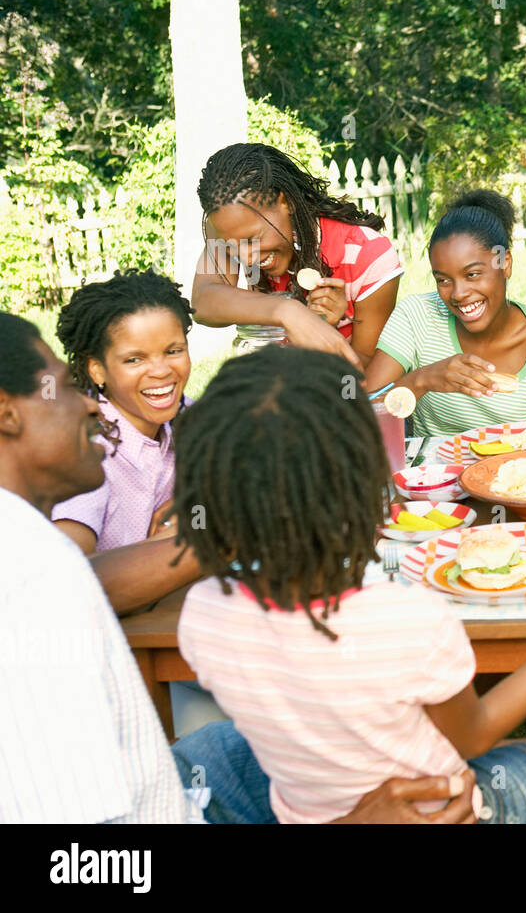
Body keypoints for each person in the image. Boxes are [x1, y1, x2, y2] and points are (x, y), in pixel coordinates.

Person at [0, 314, 475, 824]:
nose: (90, 405)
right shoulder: (35, 582)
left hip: (173, 777)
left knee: (263, 732)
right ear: (7, 413)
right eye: (68, 387)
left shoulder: (36, 550)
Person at [174, 345, 526, 823]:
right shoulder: (408, 617)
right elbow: (473, 738)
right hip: (441, 809)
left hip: (311, 811)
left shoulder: (203, 612)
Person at [49, 269, 204, 615]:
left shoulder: (188, 418)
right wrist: (178, 541)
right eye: (134, 359)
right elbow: (64, 583)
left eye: (173, 350)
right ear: (97, 370)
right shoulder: (85, 447)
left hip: (163, 618)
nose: (161, 371)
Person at [365, 190, 526, 436]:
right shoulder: (416, 316)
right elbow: (361, 414)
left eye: (472, 275)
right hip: (436, 473)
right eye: (443, 280)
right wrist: (422, 380)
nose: (458, 293)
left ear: (505, 263)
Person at [193, 142, 404, 370]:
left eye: (253, 239)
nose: (246, 259)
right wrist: (288, 311)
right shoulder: (230, 228)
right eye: (231, 247)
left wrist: (324, 328)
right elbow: (203, 301)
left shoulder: (368, 256)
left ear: (287, 203)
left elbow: (372, 377)